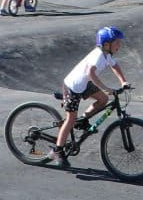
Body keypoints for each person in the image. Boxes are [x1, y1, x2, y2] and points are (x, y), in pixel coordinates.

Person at [54, 26, 129, 160]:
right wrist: (105, 87)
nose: (120, 45)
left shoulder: (107, 54)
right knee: (71, 118)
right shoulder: (99, 56)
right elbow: (90, 72)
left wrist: (123, 81)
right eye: (117, 42)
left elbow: (115, 66)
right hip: (73, 87)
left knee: (103, 100)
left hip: (85, 84)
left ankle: (82, 120)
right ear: (107, 44)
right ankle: (58, 150)